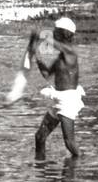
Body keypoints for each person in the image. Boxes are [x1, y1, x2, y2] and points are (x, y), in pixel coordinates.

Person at [26, 17, 82, 158]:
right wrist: (37, 57)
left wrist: (39, 34)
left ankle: (80, 165)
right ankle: (40, 166)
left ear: (63, 33)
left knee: (69, 142)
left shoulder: (70, 52)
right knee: (39, 137)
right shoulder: (60, 57)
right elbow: (46, 74)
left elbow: (52, 42)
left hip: (68, 101)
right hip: (58, 99)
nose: (53, 33)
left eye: (56, 31)